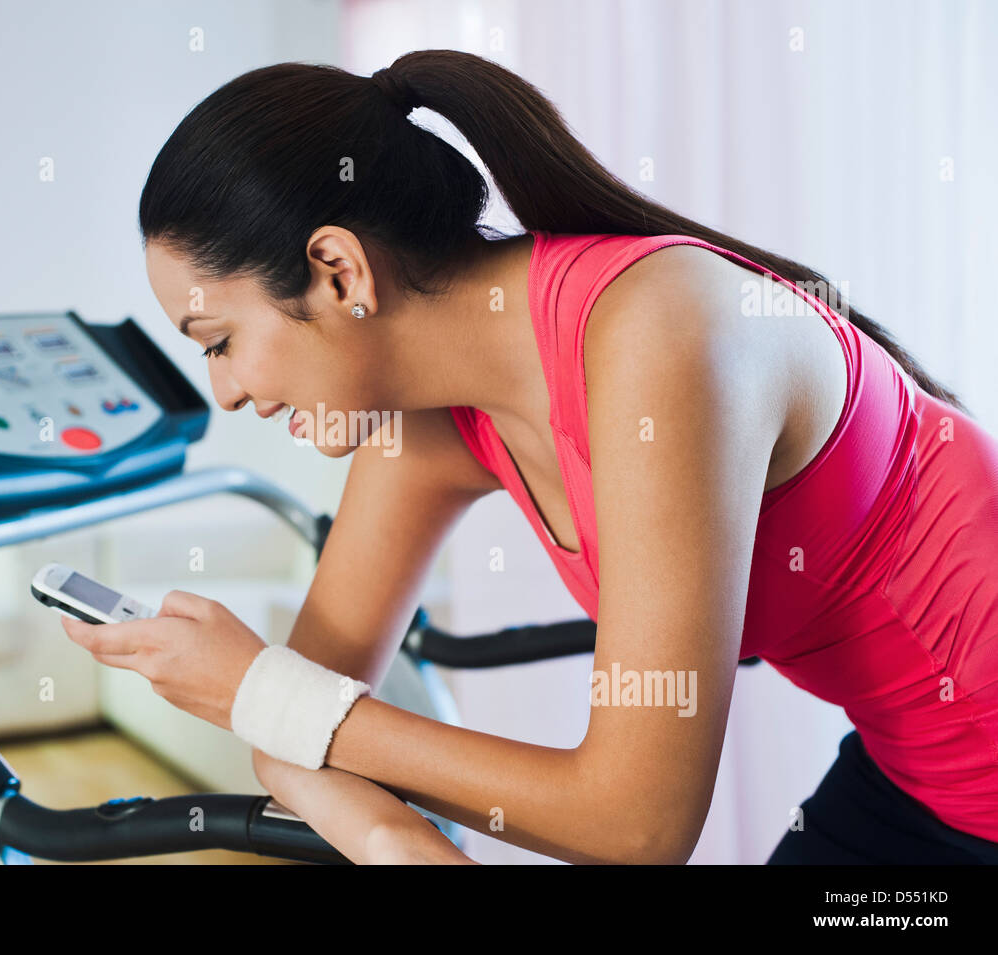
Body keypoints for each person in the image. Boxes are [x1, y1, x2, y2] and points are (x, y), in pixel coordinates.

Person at [63, 49, 998, 864]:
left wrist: (264, 690)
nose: (222, 391)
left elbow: (639, 825)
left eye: (218, 339)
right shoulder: (427, 425)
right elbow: (289, 728)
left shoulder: (659, 336)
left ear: (339, 270)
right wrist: (399, 843)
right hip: (916, 777)